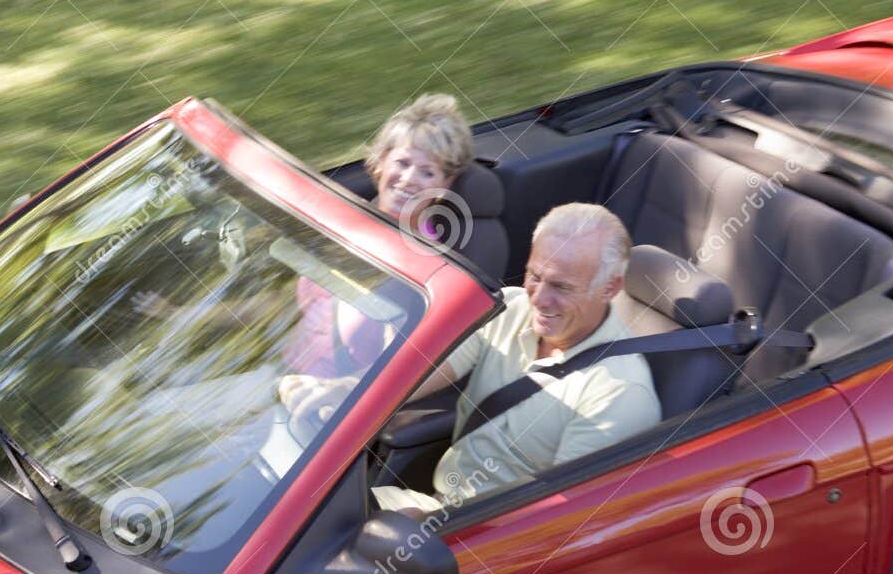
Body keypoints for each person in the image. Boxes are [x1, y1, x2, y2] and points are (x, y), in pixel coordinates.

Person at [281, 203, 661, 516]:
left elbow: (555, 525)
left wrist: (427, 526)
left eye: (561, 287)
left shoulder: (620, 396)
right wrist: (348, 391)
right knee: (295, 508)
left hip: (485, 543)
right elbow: (421, 369)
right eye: (534, 276)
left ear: (609, 287)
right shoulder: (511, 307)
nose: (539, 298)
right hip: (434, 508)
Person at [283, 93, 474, 377]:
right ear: (381, 161)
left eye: (427, 172)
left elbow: (397, 371)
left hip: (335, 395)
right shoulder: (344, 224)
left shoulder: (429, 269)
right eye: (403, 163)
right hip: (283, 374)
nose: (408, 179)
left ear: (445, 184)